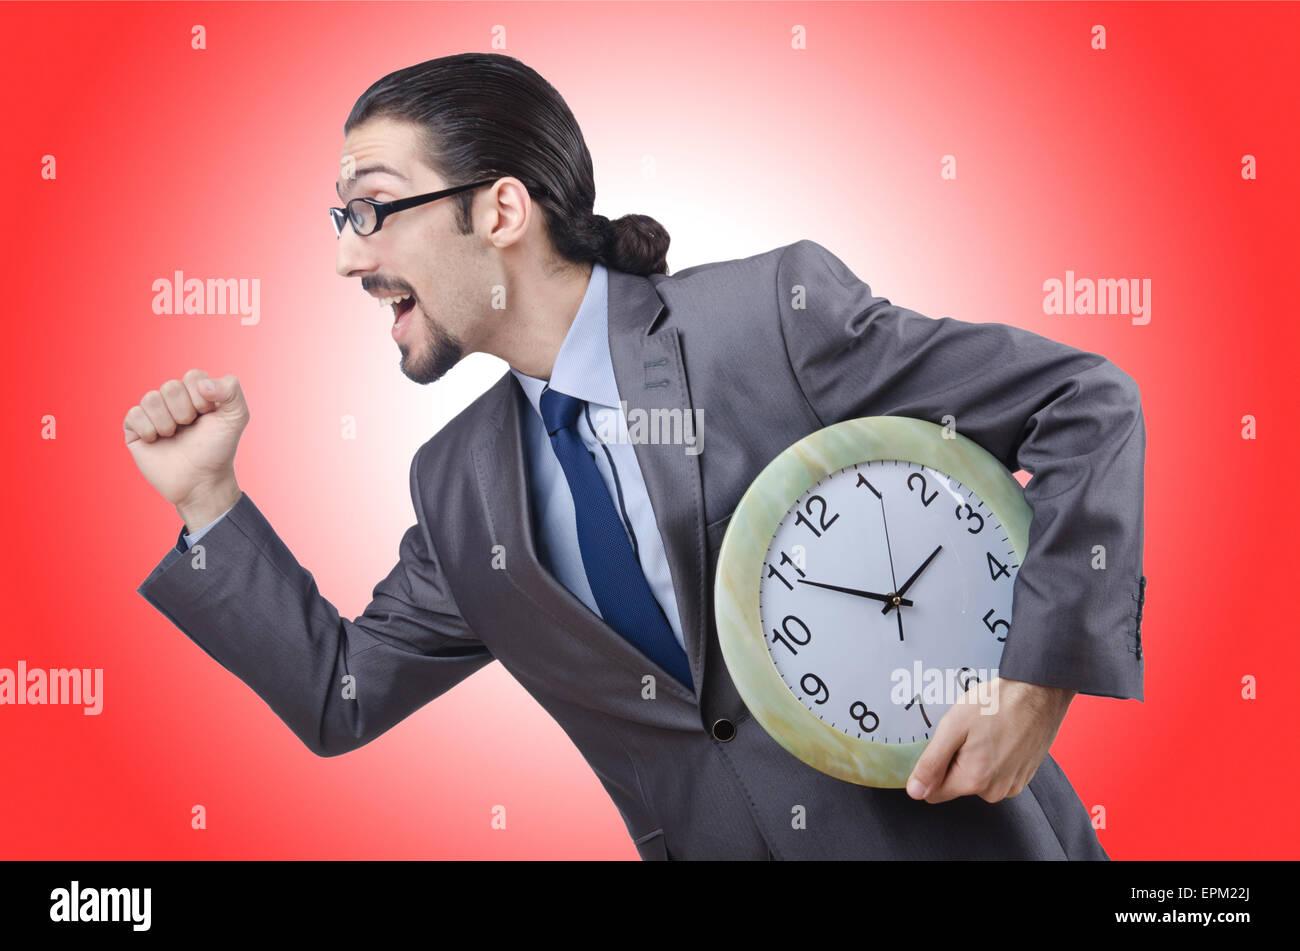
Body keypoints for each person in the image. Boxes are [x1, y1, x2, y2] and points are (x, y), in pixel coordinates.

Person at [127, 52, 1147, 860]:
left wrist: (1036, 676)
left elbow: (1080, 402)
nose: (348, 254)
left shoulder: (765, 321)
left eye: (372, 211)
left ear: (499, 211)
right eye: (340, 221)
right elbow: (340, 696)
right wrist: (209, 503)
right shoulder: (457, 485)